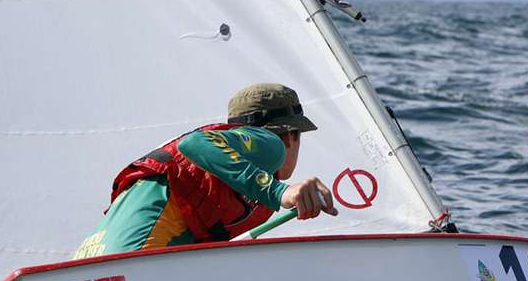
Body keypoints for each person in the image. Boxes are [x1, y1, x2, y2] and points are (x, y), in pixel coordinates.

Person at [74, 83, 338, 259]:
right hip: (131, 265)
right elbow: (195, 142)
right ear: (290, 135)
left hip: (87, 262)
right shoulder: (270, 145)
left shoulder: (232, 172)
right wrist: (280, 192)